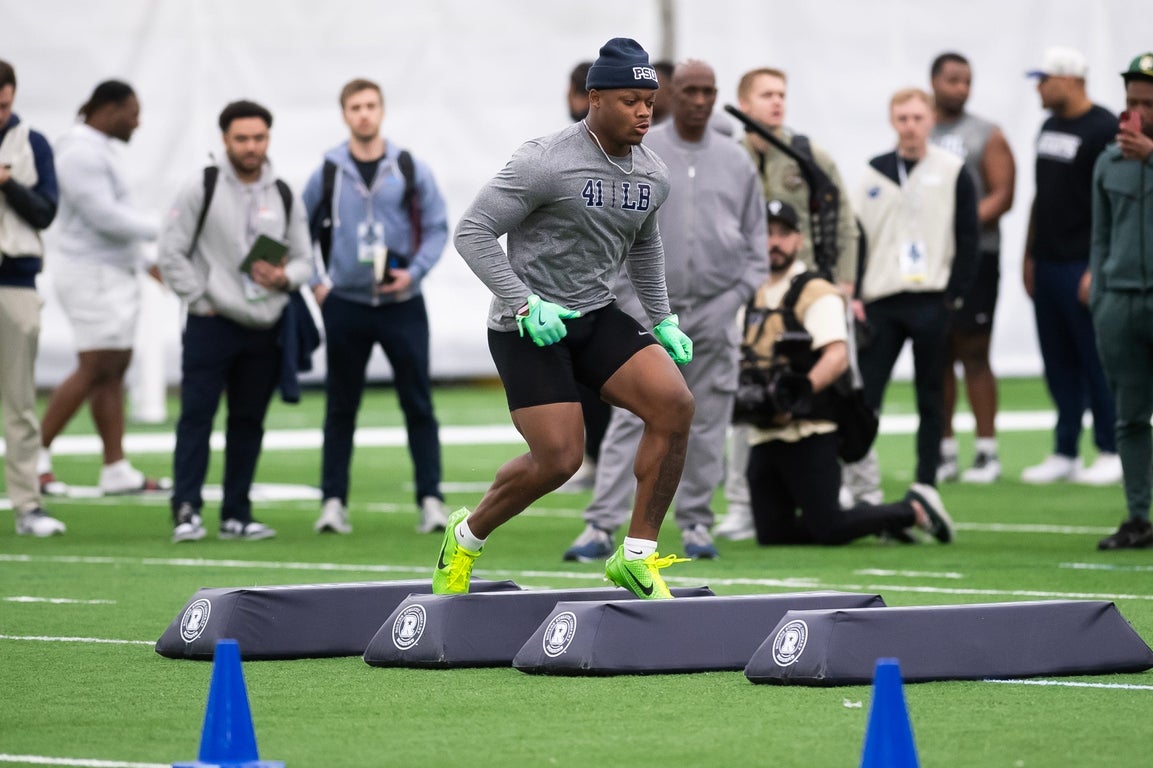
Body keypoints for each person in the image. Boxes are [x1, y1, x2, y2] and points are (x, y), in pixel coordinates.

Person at [443, 37, 695, 599]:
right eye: (632, 100)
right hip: (527, 325)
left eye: (651, 101)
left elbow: (645, 247)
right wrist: (523, 302)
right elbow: (472, 233)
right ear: (595, 98)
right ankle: (464, 537)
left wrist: (663, 320)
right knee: (559, 459)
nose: (645, 112)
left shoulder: (653, 174)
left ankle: (636, 557)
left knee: (674, 403)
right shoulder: (543, 160)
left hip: (595, 314)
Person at [561, 59, 766, 562]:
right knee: (631, 419)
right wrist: (637, 309)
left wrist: (732, 302)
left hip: (717, 314)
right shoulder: (643, 151)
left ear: (717, 96)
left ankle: (696, 523)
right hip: (647, 313)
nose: (698, 100)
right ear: (674, 91)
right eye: (690, 90)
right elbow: (620, 237)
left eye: (708, 92)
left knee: (708, 419)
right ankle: (601, 525)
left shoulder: (737, 161)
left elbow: (757, 248)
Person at [744, 199, 954, 546]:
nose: (773, 242)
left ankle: (910, 511)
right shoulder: (751, 293)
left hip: (810, 429)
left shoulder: (816, 291)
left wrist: (795, 399)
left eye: (783, 233)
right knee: (772, 534)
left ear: (799, 240)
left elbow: (837, 356)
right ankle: (875, 520)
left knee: (830, 527)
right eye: (766, 234)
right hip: (764, 433)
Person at [157, 100, 312, 543]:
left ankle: (236, 513)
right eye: (241, 138)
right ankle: (186, 508)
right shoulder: (201, 186)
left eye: (258, 138)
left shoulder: (282, 192)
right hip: (212, 322)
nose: (250, 146)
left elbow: (304, 259)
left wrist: (284, 277)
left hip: (265, 324)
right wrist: (200, 299)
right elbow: (169, 251)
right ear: (224, 139)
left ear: (268, 139)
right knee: (197, 416)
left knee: (248, 421)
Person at [302, 78, 451, 536]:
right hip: (345, 303)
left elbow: (438, 226)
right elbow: (297, 231)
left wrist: (416, 271)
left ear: (381, 111)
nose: (363, 114)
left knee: (418, 403)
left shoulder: (407, 166)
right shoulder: (327, 170)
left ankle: (431, 499)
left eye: (370, 106)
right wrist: (316, 284)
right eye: (355, 107)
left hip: (402, 302)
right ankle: (332, 502)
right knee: (340, 406)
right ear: (344, 114)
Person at [717, 66, 859, 541]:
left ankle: (863, 487)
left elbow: (842, 218)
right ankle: (741, 504)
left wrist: (844, 285)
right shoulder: (728, 160)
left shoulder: (805, 154)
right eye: (766, 95)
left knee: (843, 387)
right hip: (750, 294)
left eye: (782, 94)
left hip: (808, 292)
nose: (777, 102)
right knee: (746, 391)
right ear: (745, 103)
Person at [847, 87, 978, 502]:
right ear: (892, 122)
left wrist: (953, 296)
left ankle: (926, 482)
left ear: (931, 120)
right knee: (865, 396)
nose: (910, 126)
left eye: (918, 118)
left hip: (931, 299)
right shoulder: (874, 172)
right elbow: (856, 237)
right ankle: (856, 483)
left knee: (931, 395)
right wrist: (855, 292)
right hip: (882, 300)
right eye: (902, 118)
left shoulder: (954, 170)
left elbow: (968, 237)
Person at [38, 80, 165, 497]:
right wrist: (167, 229)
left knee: (115, 366)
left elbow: (113, 222)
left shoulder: (96, 149)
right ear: (110, 109)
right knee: (95, 365)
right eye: (133, 112)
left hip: (110, 271)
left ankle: (115, 467)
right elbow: (105, 217)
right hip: (88, 274)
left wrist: (144, 261)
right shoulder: (78, 152)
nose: (138, 122)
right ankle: (33, 456)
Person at [1022, 46, 1122, 486]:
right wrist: (1029, 253)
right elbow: (1040, 196)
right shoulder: (1046, 127)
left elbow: (1116, 203)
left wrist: (1099, 267)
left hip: (1083, 264)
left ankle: (1110, 447)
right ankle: (1065, 448)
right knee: (1057, 359)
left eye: (1045, 78)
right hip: (1047, 263)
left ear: (1071, 80)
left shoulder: (1104, 128)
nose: (1039, 87)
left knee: (1095, 358)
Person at [930, 52, 1016, 484]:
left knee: (974, 351)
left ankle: (987, 451)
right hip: (931, 261)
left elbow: (1003, 195)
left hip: (976, 256)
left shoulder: (986, 134)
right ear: (934, 82)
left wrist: (959, 226)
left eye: (967, 81)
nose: (961, 88)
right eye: (952, 80)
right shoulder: (919, 130)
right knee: (939, 351)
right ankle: (945, 451)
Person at [1089, 52, 1153, 550]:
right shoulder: (1108, 163)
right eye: (1131, 101)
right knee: (1128, 415)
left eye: (1147, 103)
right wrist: (1102, 301)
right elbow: (1101, 238)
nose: (1136, 112)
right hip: (1121, 303)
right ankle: (1137, 517)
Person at [0, 58, 66, 536]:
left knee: (18, 401)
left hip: (14, 280)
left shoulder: (32, 143)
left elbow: (45, 211)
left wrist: (7, 182)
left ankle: (27, 506)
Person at [560, 60, 614, 493]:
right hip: (573, 297)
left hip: (605, 294)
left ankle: (600, 459)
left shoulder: (637, 161)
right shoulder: (552, 155)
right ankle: (592, 458)